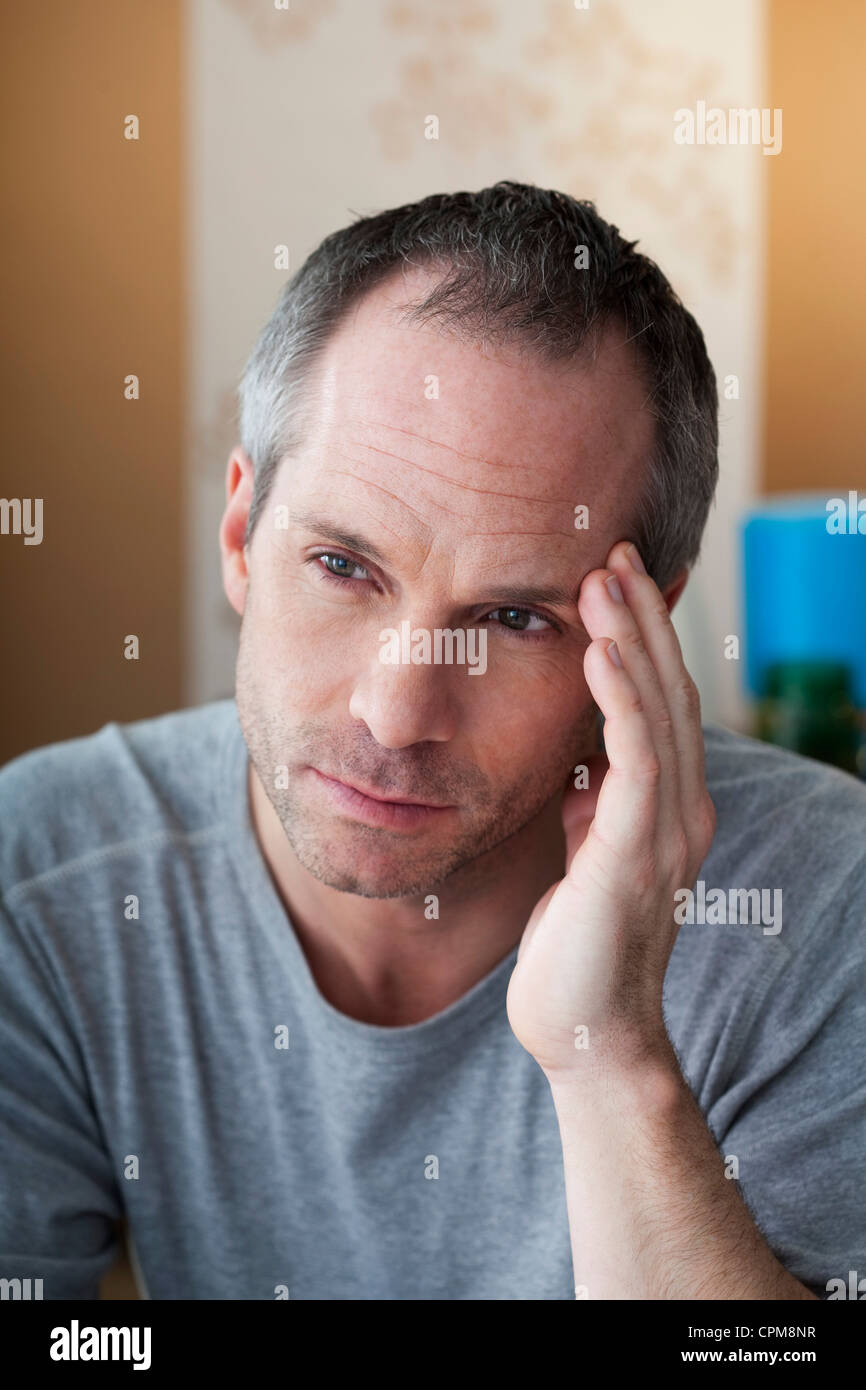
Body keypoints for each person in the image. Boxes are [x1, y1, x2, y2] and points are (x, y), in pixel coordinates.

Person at [1, 183, 863, 1302]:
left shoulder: (823, 901)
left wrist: (608, 1053)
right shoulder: (42, 879)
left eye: (512, 619)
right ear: (242, 533)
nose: (396, 713)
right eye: (341, 566)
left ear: (645, 630)